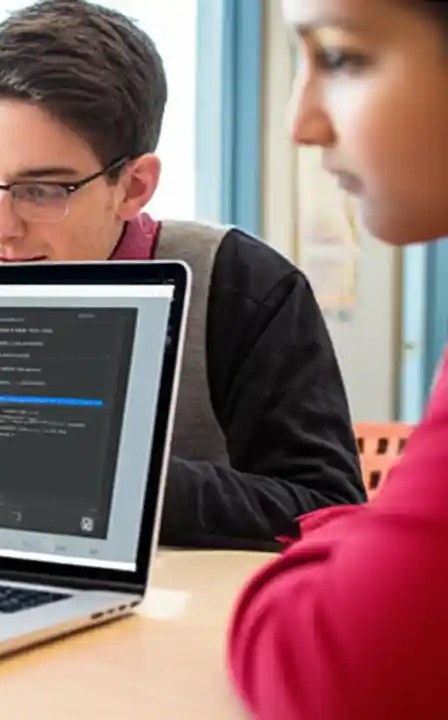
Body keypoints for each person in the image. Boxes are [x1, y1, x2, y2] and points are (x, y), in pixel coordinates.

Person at [0, 0, 364, 550]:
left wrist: (118, 480)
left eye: (42, 190)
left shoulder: (243, 287)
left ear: (134, 186)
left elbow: (327, 510)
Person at [228, 1, 448, 717]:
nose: (301, 123)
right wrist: (358, 540)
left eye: (343, 57)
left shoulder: (248, 282)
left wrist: (331, 543)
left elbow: (342, 666)